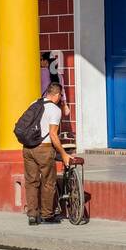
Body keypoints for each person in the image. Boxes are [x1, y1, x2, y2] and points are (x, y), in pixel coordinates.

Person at [23, 82, 73, 226]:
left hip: (27, 147)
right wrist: (63, 153)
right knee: (48, 182)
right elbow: (53, 135)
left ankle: (32, 215)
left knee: (31, 181)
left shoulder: (34, 103)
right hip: (44, 149)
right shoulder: (55, 110)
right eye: (61, 95)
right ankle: (47, 215)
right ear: (57, 95)